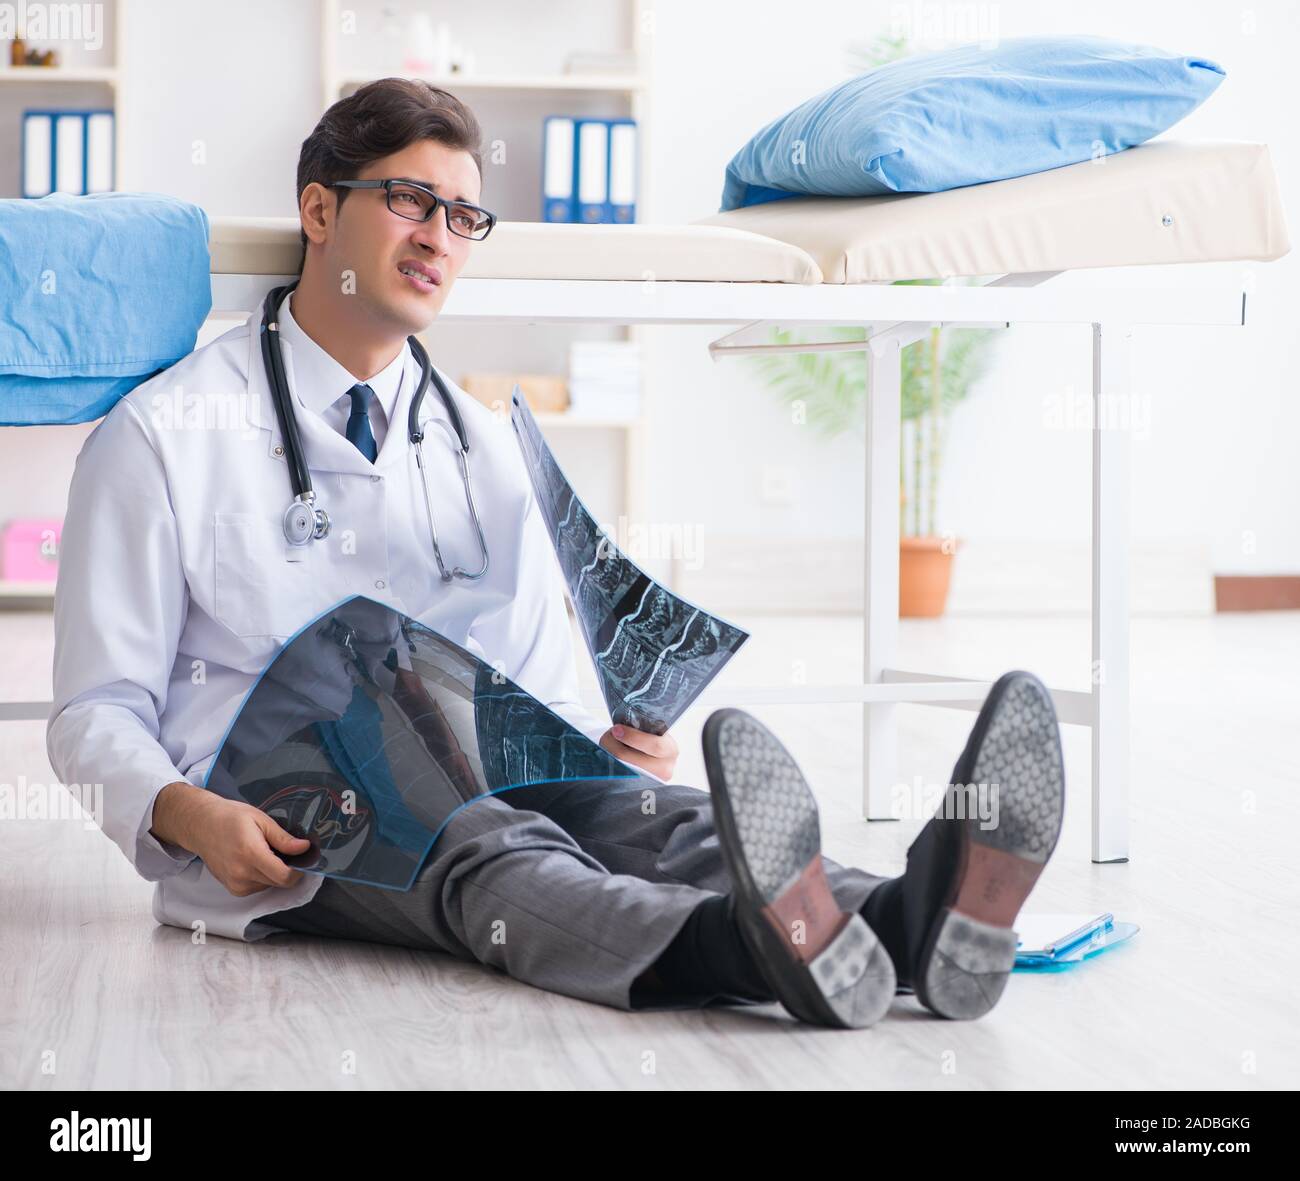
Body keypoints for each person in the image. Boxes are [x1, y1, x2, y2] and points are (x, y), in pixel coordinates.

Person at [47, 79, 1066, 1028]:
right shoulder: (163, 434)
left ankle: (908, 913)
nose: (439, 236)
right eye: (410, 200)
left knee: (654, 817)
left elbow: (524, 663)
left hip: (462, 763)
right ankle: (752, 946)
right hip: (277, 822)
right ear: (320, 212)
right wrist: (185, 813)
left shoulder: (481, 444)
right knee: (490, 849)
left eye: (463, 216)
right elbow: (97, 708)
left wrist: (591, 744)